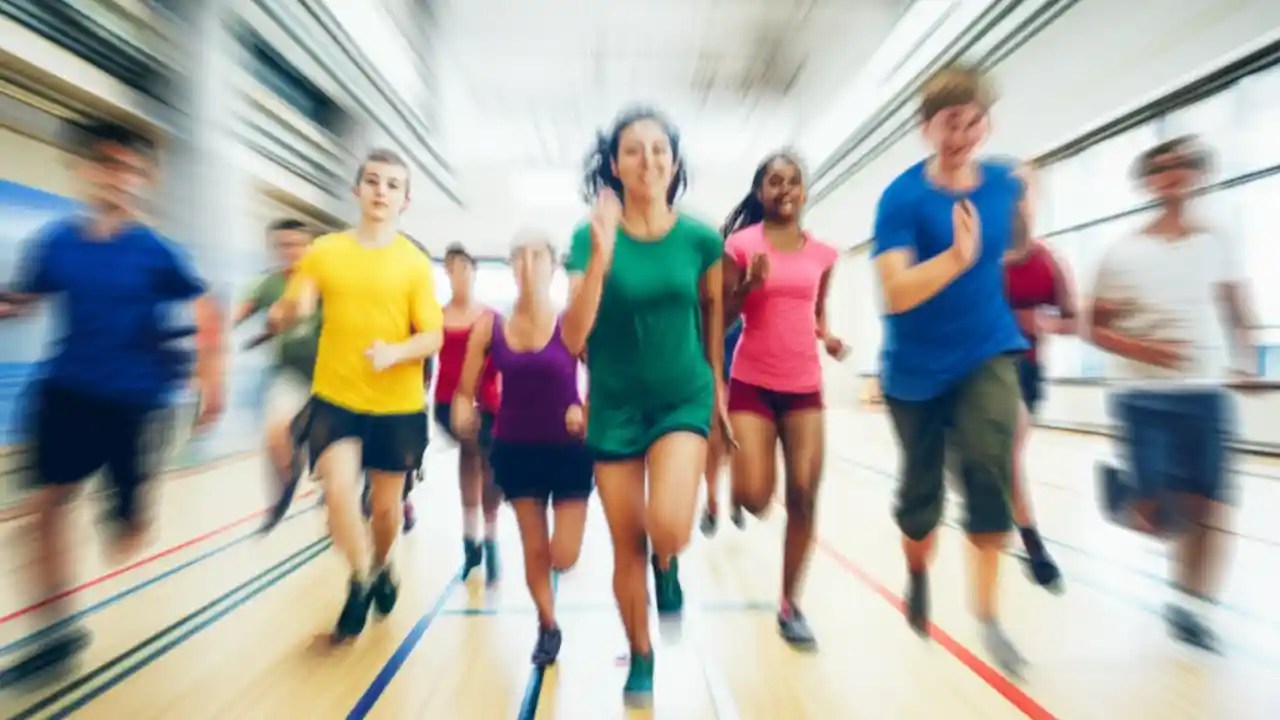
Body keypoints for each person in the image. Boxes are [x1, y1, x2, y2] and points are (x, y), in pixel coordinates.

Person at [0, 120, 225, 679]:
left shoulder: (157, 252)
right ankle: (55, 633)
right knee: (44, 510)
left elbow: (205, 307)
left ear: (143, 179)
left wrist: (210, 379)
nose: (117, 177)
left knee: (125, 536)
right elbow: (23, 300)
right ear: (85, 172)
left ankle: (129, 505)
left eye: (130, 169)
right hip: (67, 391)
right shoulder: (56, 242)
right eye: (106, 165)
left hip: (134, 404)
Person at [563, 106, 727, 707]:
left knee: (669, 528)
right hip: (615, 407)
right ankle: (640, 651)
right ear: (615, 165)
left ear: (674, 162)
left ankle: (670, 565)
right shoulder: (587, 237)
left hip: (682, 395)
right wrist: (602, 257)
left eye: (659, 149)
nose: (648, 160)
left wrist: (721, 393)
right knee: (625, 539)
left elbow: (712, 317)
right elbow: (573, 336)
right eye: (633, 150)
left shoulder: (703, 238)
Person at [871, 64, 1029, 677]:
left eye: (972, 122)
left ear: (985, 123)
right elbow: (897, 293)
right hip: (914, 370)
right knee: (920, 498)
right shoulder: (902, 199)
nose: (961, 134)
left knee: (992, 464)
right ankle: (916, 570)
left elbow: (1012, 245)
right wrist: (958, 258)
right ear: (926, 128)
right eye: (948, 123)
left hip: (986, 349)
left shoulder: (1004, 181)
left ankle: (988, 616)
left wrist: (1031, 199)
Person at [1085, 135, 1257, 652]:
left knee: (1211, 507)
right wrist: (1144, 350)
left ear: (1198, 174)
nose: (1172, 175)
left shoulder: (1218, 240)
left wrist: (1246, 361)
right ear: (1146, 182)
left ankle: (1191, 607)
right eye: (1160, 168)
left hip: (1204, 392)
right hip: (1142, 395)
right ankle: (1123, 497)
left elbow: (1234, 303)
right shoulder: (1122, 250)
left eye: (1182, 166)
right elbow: (1093, 327)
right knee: (1159, 516)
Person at [270, 148, 442, 640]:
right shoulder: (325, 251)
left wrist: (396, 351)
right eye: (372, 181)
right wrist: (289, 312)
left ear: (404, 199)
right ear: (356, 191)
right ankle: (359, 578)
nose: (380, 191)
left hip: (397, 404)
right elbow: (300, 300)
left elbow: (432, 336)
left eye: (391, 185)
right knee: (339, 493)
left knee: (385, 511)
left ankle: (385, 564)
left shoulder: (412, 263)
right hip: (336, 398)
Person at [719, 151, 846, 649]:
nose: (785, 189)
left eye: (793, 181)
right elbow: (725, 316)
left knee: (804, 493)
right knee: (755, 497)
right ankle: (738, 486)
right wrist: (748, 287)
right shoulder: (740, 245)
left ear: (804, 191)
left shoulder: (824, 255)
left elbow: (816, 312)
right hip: (752, 380)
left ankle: (791, 603)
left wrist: (828, 338)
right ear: (759, 192)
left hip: (804, 387)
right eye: (774, 181)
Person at [454, 229, 591, 667]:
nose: (528, 263)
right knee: (534, 547)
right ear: (510, 267)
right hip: (516, 449)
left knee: (563, 555)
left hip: (569, 452)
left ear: (553, 267)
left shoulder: (571, 322)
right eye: (519, 256)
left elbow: (607, 378)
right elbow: (464, 389)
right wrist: (461, 410)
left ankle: (552, 595)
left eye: (538, 255)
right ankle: (548, 624)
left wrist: (586, 409)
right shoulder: (490, 326)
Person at [1002, 167, 1075, 591]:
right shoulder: (981, 259)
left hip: (1029, 369)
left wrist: (1042, 323)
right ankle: (1033, 544)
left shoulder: (1049, 261)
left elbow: (1072, 319)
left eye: (1025, 193)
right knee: (1010, 448)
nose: (1017, 202)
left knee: (1008, 454)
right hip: (987, 368)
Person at [234, 219, 318, 532]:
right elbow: (242, 312)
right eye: (284, 246)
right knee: (274, 433)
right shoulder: (269, 284)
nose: (291, 252)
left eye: (298, 244)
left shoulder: (325, 281)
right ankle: (284, 490)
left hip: (332, 377)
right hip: (291, 373)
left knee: (330, 450)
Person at [432, 243, 503, 583]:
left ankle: (484, 538)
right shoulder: (436, 316)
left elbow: (504, 362)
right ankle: (473, 538)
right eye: (450, 269)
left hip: (488, 402)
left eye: (463, 268)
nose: (457, 275)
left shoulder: (490, 317)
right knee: (472, 452)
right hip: (449, 403)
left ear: (473, 272)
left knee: (483, 464)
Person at [699, 316, 745, 537]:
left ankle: (736, 494)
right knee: (715, 436)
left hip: (743, 358)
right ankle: (711, 498)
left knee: (738, 436)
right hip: (713, 360)